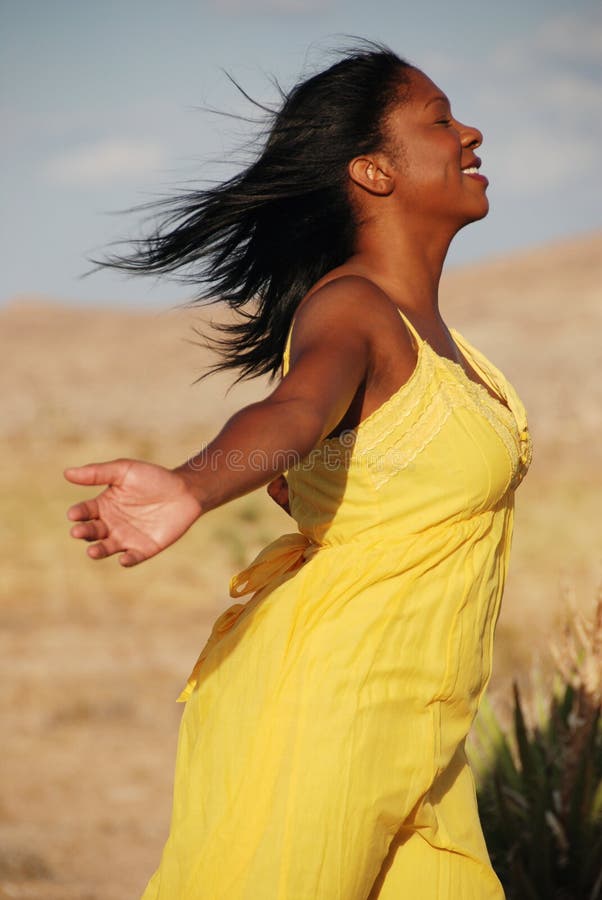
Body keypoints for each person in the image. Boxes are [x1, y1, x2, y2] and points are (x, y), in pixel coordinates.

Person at [64, 42, 531, 899]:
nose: (470, 132)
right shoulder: (352, 309)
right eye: (438, 119)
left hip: (426, 733)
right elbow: (292, 412)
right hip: (335, 707)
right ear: (373, 172)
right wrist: (198, 483)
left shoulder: (442, 341)